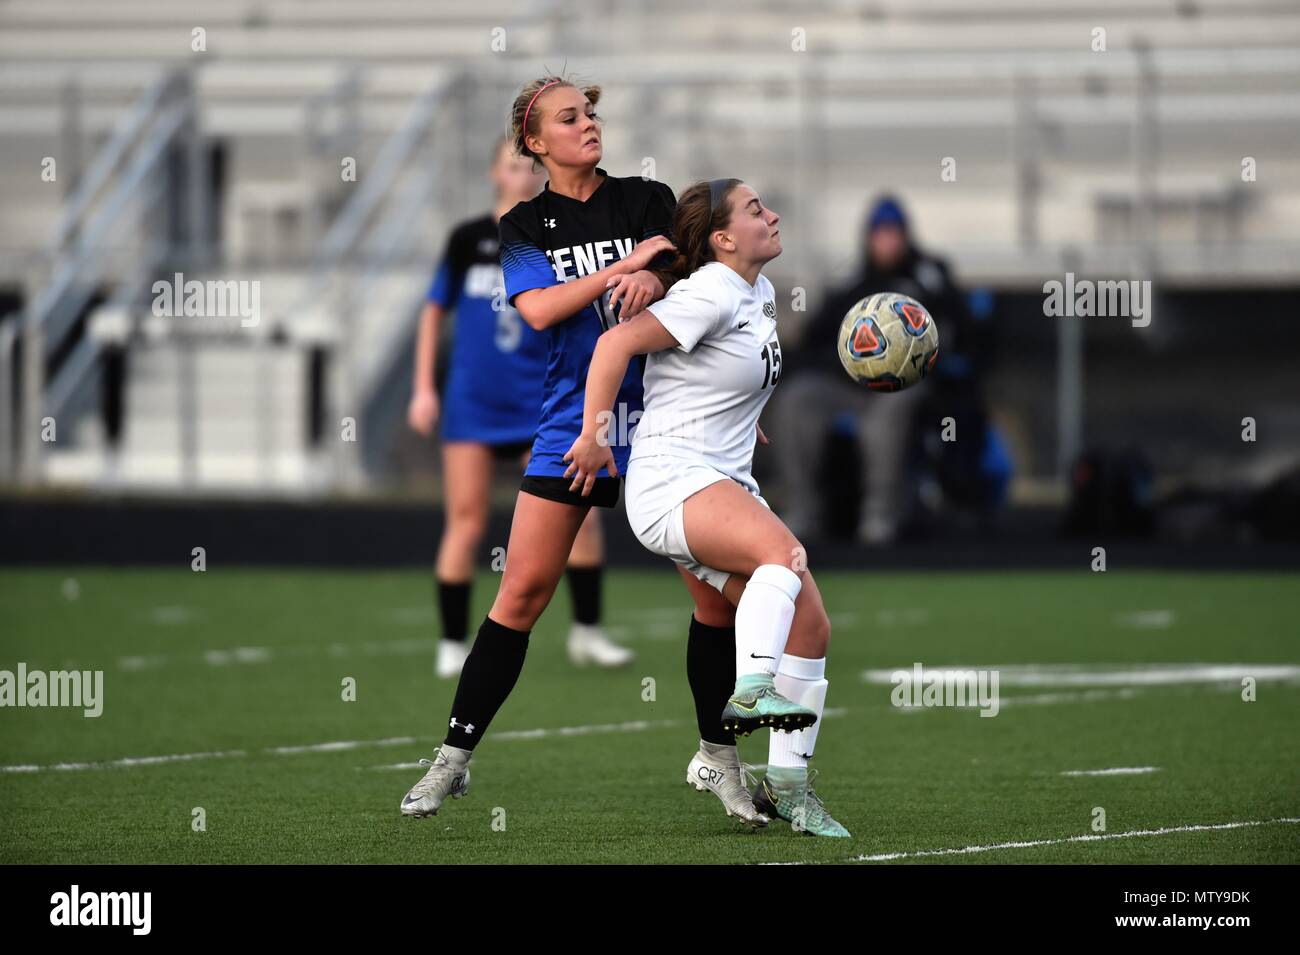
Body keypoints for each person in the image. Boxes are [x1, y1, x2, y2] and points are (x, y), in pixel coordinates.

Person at [400, 75, 746, 822]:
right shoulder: (524, 225)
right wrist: (625, 266)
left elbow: (701, 273)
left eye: (590, 112)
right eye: (569, 117)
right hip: (574, 426)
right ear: (535, 141)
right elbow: (541, 309)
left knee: (713, 599)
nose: (588, 124)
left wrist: (659, 276)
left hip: (671, 420)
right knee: (520, 595)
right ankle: (452, 759)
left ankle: (719, 759)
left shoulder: (648, 198)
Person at [563, 178, 851, 837]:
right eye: (755, 210)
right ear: (722, 239)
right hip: (673, 479)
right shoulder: (712, 289)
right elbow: (614, 346)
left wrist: (744, 417)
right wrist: (592, 435)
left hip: (714, 474)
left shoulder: (759, 289)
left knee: (810, 624)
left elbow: (721, 370)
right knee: (786, 555)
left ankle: (790, 789)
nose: (773, 214)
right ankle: (751, 690)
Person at [407, 137, 632, 678]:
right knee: (465, 520)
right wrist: (423, 387)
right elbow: (433, 311)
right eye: (514, 166)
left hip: (542, 398)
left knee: (580, 519)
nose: (524, 176)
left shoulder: (552, 234)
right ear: (494, 172)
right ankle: (452, 640)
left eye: (531, 168)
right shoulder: (469, 238)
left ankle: (587, 632)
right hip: (474, 399)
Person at [773, 195, 978, 545]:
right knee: (798, 399)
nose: (887, 242)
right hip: (850, 386)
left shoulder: (929, 279)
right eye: (880, 234)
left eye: (894, 233)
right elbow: (815, 339)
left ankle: (879, 516)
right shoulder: (855, 286)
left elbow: (961, 333)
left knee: (887, 416)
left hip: (904, 386)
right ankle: (803, 512)